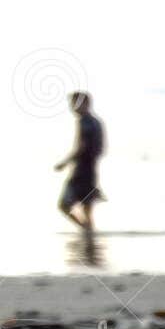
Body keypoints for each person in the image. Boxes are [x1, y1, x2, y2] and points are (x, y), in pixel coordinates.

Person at [53, 91, 105, 231]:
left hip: (80, 173)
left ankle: (86, 231)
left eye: (75, 103)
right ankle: (89, 237)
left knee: (64, 205)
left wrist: (64, 163)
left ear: (85, 104)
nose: (72, 107)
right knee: (87, 211)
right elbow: (101, 149)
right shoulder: (96, 122)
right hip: (91, 172)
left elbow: (80, 147)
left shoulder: (84, 122)